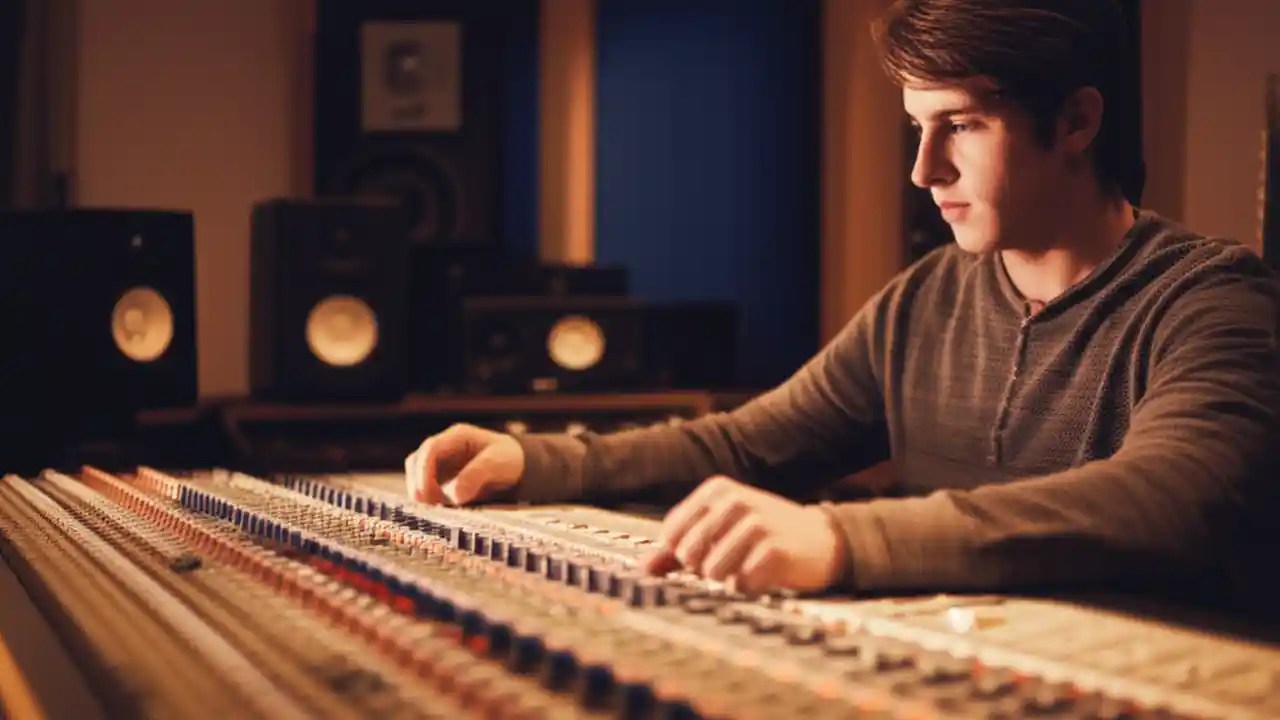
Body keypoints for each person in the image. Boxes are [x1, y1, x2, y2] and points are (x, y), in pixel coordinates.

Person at [404, 0, 1280, 614]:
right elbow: (746, 445)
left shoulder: (1212, 302)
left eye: (961, 125)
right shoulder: (927, 299)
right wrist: (534, 461)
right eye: (916, 129)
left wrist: (843, 543)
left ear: (1078, 123)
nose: (924, 170)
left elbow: (1172, 496)